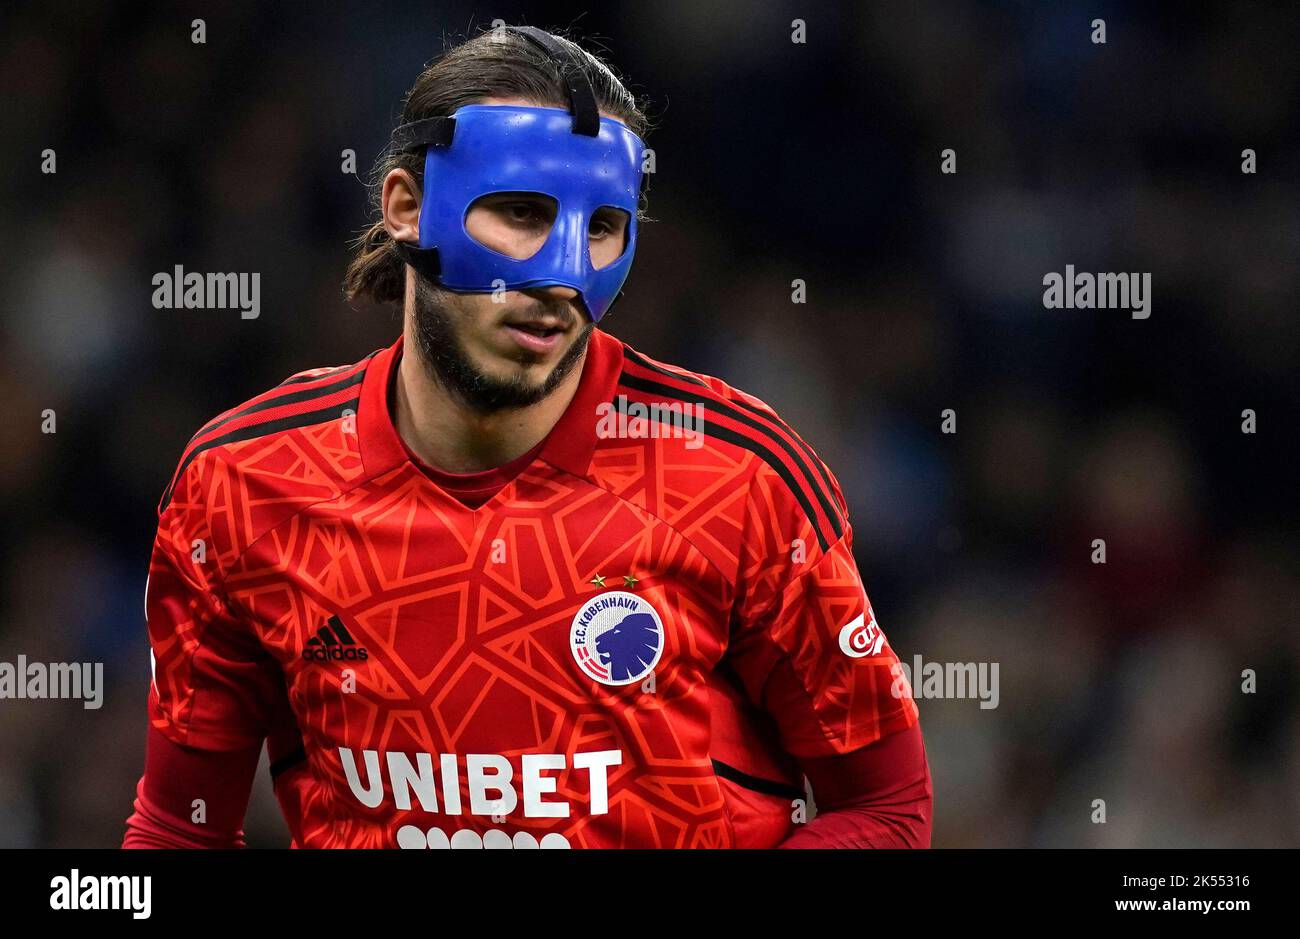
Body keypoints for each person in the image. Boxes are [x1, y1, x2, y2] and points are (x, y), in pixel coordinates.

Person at [124, 24, 931, 849]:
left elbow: (886, 806)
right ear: (406, 207)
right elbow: (178, 827)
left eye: (604, 226)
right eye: (520, 212)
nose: (562, 273)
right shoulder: (241, 484)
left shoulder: (739, 475)